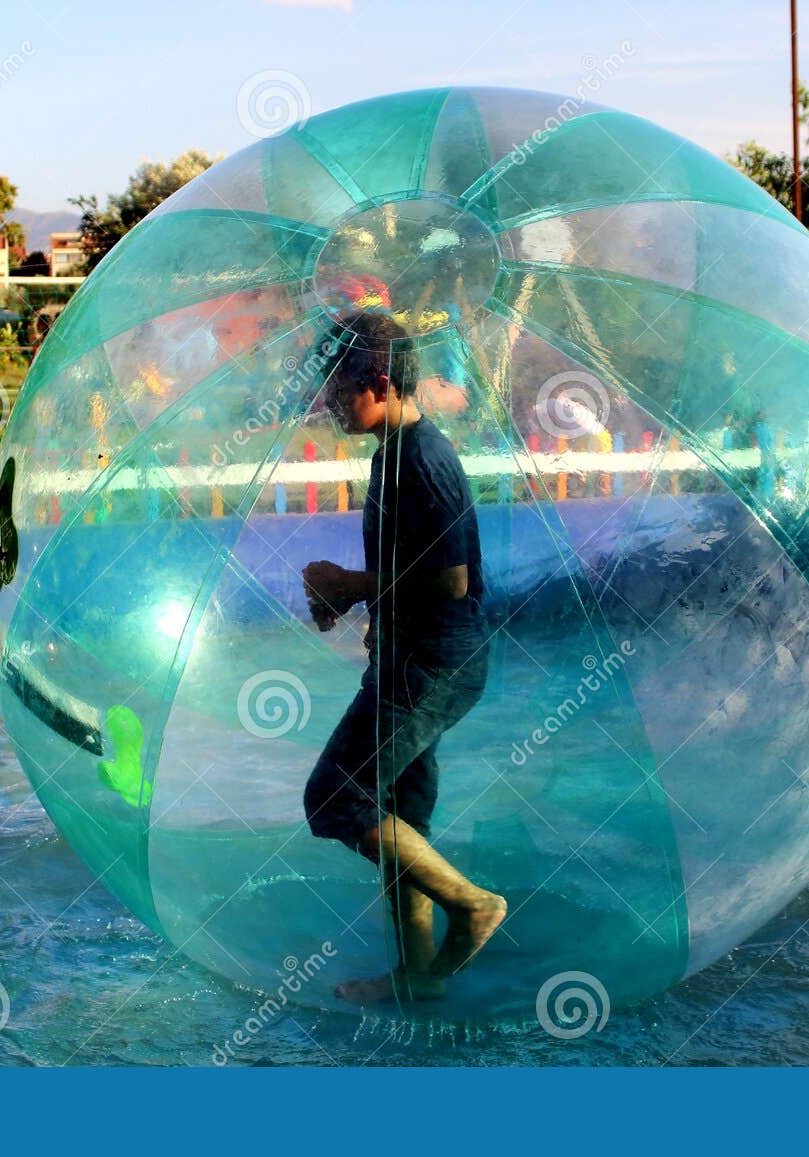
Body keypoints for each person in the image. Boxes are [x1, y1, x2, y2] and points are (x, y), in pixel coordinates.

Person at [300, 311, 505, 1005]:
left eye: (339, 390)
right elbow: (409, 568)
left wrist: (352, 584)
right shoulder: (394, 451)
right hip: (411, 653)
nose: (330, 403)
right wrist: (362, 605)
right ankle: (418, 983)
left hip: (434, 663)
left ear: (380, 382)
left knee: (334, 794)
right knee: (398, 817)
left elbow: (451, 581)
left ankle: (473, 906)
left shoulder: (424, 457)